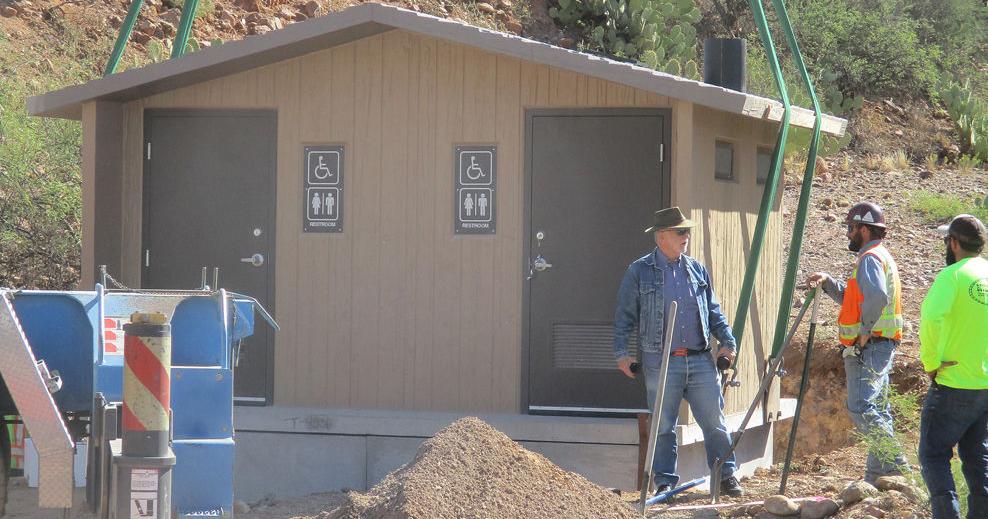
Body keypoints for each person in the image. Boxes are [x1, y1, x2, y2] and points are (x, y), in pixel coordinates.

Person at [613, 206, 743, 497]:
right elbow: (624, 317)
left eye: (687, 231)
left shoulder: (696, 269)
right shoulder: (639, 272)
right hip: (661, 361)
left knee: (715, 422)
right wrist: (622, 354)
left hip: (699, 360)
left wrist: (727, 342)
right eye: (680, 231)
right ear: (661, 237)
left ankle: (725, 475)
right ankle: (665, 483)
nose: (687, 236)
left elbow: (713, 311)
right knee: (662, 426)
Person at [806, 201, 908, 484]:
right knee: (879, 410)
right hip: (878, 344)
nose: (848, 233)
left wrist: (863, 331)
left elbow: (876, 298)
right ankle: (877, 476)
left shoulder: (871, 259)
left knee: (862, 406)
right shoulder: (877, 256)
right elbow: (859, 299)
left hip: (870, 345)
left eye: (851, 228)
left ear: (864, 228)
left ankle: (898, 467)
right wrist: (827, 282)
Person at [918, 214, 988, 519]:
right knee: (978, 459)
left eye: (948, 240)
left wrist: (931, 363)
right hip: (984, 385)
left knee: (933, 455)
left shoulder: (952, 275)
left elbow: (931, 319)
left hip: (954, 383)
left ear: (955, 243)